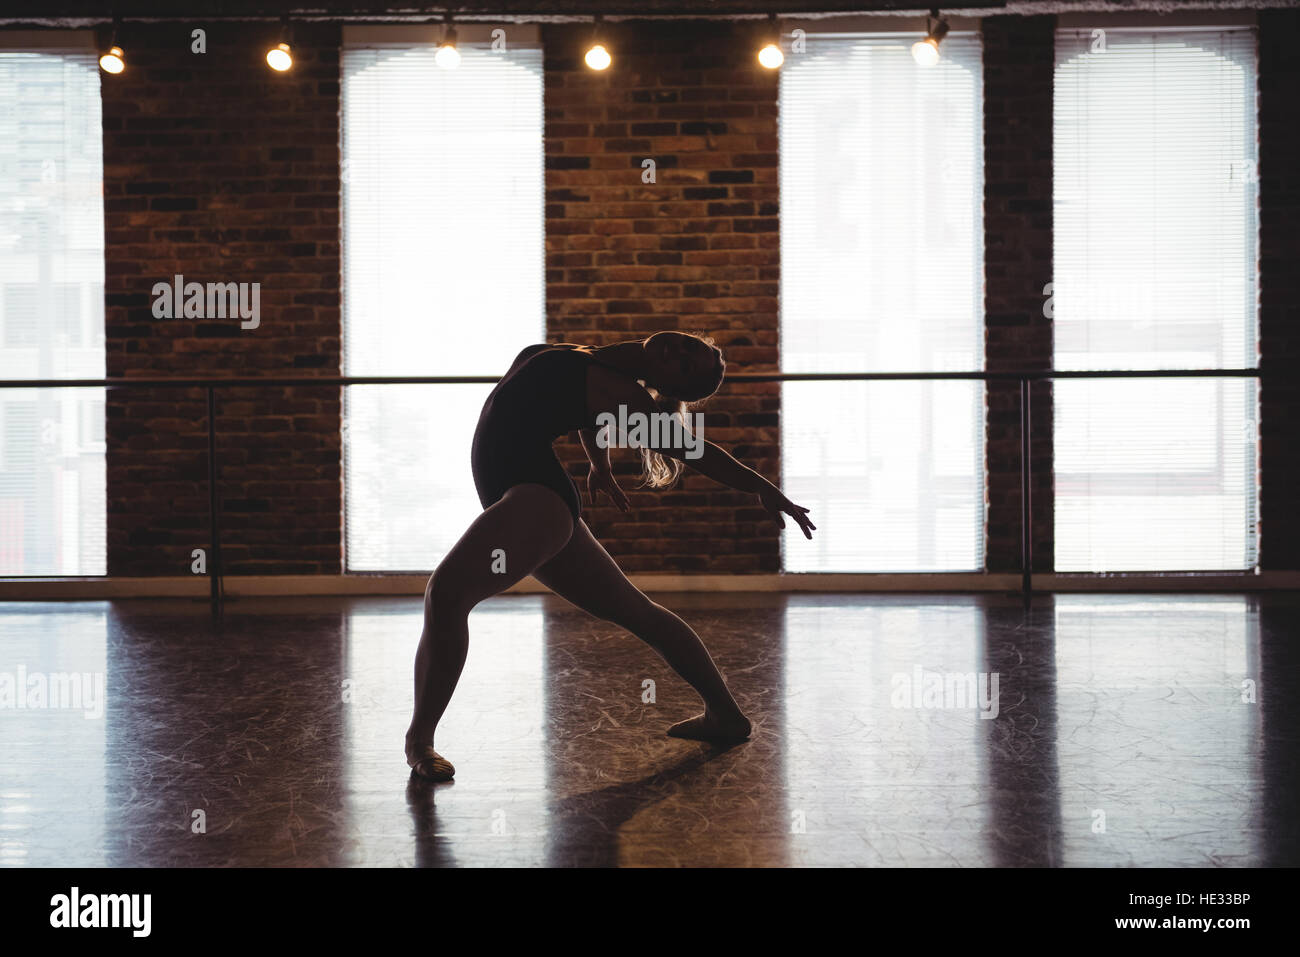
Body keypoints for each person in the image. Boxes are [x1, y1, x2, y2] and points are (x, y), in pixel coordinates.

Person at [404, 331, 816, 782]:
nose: (676, 351)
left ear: (666, 389)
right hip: (534, 504)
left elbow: (695, 452)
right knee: (638, 612)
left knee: (446, 595)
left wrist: (762, 487)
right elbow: (583, 410)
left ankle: (419, 741)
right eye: (686, 346)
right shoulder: (590, 361)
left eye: (682, 366)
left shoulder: (627, 397)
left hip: (536, 502)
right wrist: (598, 464)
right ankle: (726, 716)